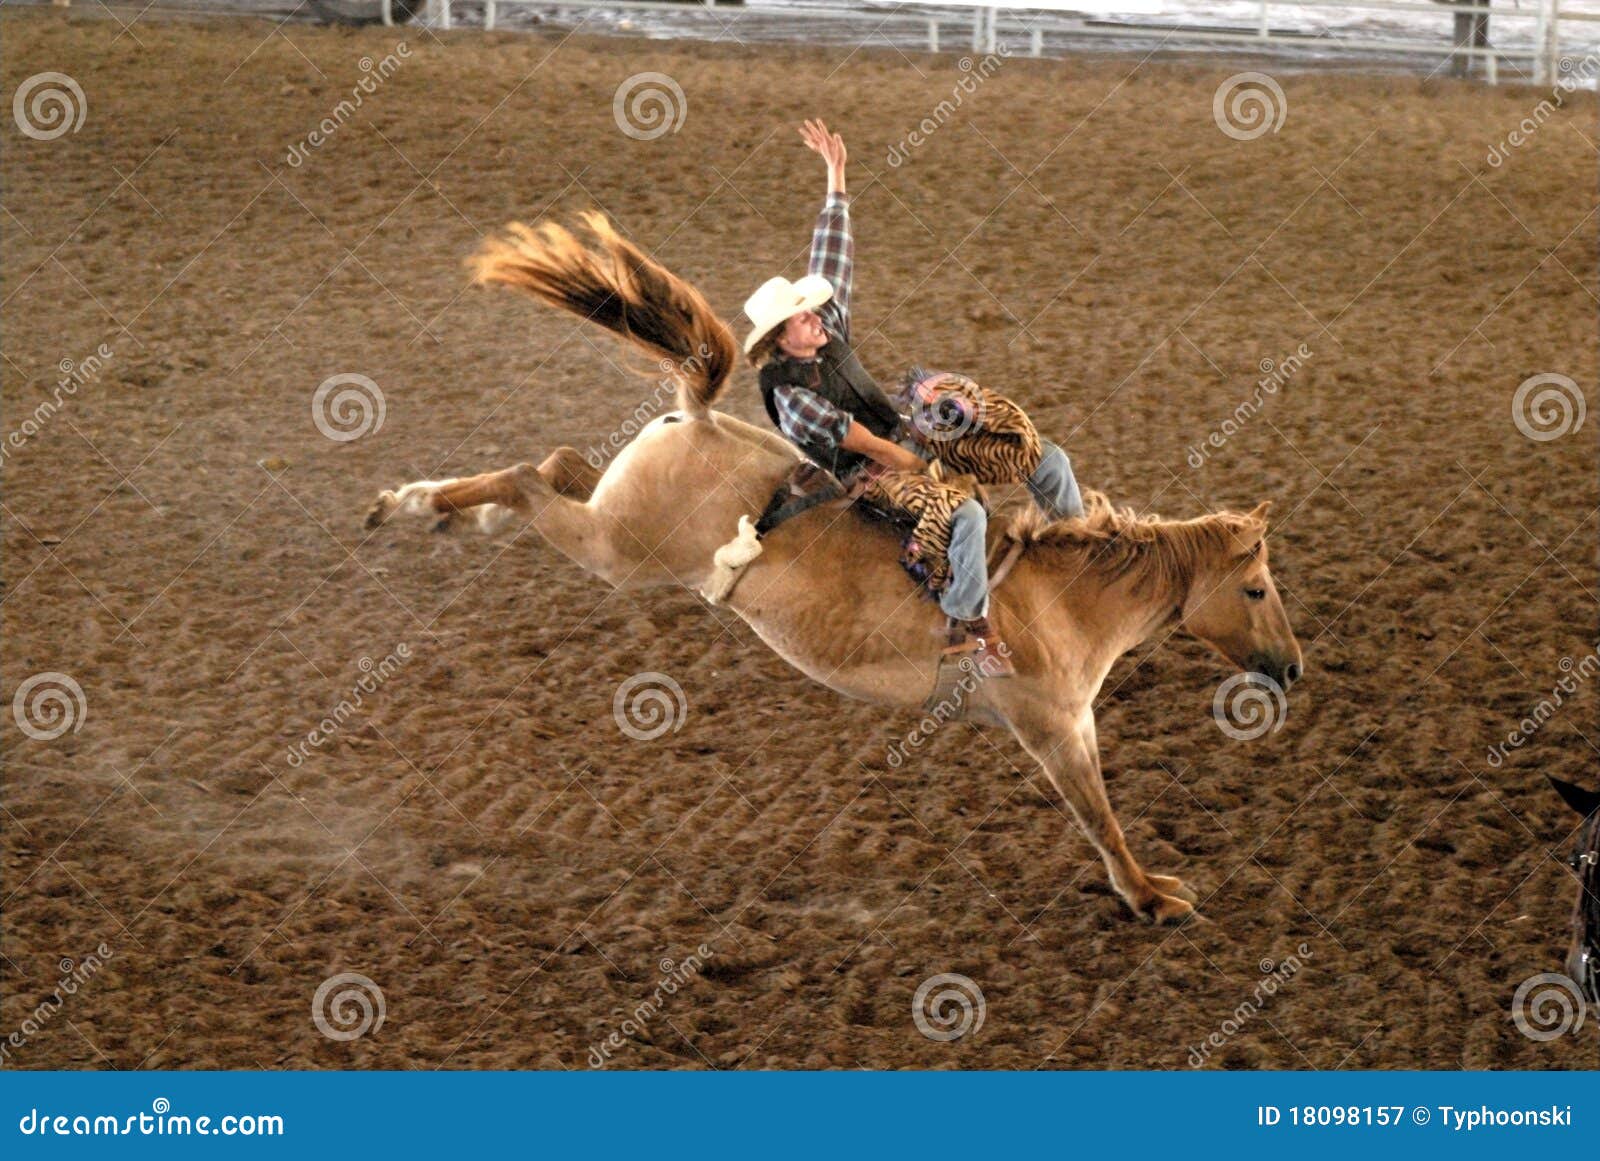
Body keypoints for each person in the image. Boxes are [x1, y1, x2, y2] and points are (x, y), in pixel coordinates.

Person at [742, 120, 1085, 677]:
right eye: (802, 317)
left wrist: (836, 181)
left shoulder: (823, 334)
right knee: (965, 516)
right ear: (782, 341)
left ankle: (1079, 546)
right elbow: (864, 442)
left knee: (1044, 457)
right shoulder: (790, 397)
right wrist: (926, 464)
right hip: (873, 470)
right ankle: (966, 625)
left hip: (909, 436)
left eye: (809, 310)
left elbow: (832, 260)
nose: (814, 315)